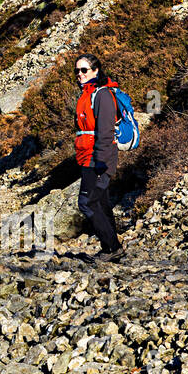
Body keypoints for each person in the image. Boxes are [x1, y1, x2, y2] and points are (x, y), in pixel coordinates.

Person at [73, 53, 124, 258]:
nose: (80, 74)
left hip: (98, 158)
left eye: (84, 70)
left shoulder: (102, 95)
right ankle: (112, 248)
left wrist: (101, 161)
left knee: (87, 202)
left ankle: (112, 247)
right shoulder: (86, 94)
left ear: (95, 71)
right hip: (87, 155)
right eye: (77, 70)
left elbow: (105, 131)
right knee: (101, 201)